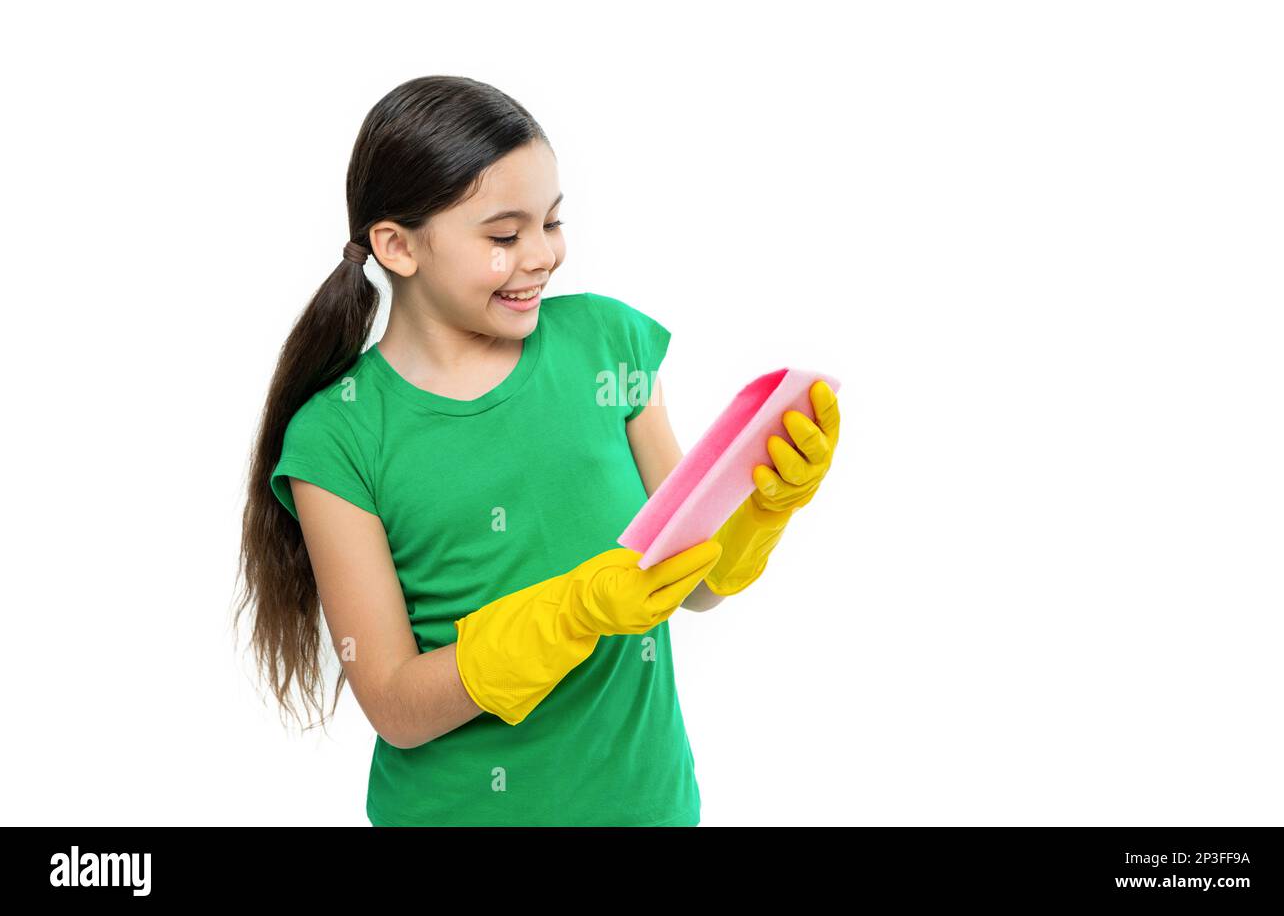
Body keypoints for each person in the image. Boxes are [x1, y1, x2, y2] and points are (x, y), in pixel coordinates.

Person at [234, 75, 840, 826]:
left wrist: (760, 508)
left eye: (552, 223)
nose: (543, 255)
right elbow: (395, 705)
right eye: (503, 235)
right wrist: (571, 612)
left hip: (650, 809)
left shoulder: (607, 347)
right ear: (397, 245)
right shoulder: (339, 435)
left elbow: (693, 583)